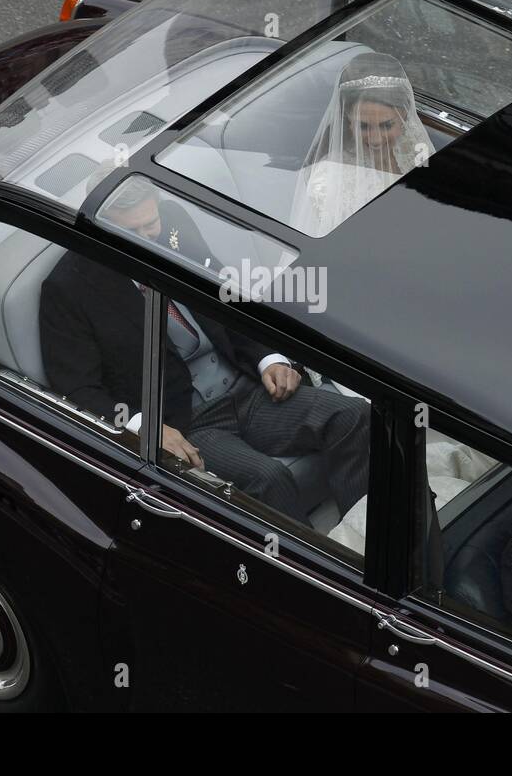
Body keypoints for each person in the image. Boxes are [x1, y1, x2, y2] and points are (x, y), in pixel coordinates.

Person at [38, 175, 370, 524]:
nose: (150, 237)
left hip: (247, 391)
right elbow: (77, 389)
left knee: (353, 416)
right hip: (188, 423)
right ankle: (314, 576)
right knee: (267, 478)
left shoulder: (173, 225)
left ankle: (369, 547)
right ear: (100, 229)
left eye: (151, 223)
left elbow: (227, 299)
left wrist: (268, 358)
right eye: (132, 232)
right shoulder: (68, 287)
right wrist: (144, 428)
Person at [288, 53, 429, 236]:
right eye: (363, 126)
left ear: (405, 117)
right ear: (348, 120)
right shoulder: (328, 179)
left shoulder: (416, 148)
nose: (376, 139)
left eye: (386, 125)